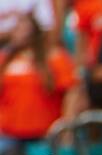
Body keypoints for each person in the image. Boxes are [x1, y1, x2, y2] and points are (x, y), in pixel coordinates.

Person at [0, 12, 80, 143]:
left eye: (24, 26)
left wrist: (66, 128)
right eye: (17, 27)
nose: (21, 32)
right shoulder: (5, 60)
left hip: (45, 133)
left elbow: (72, 92)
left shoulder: (54, 57)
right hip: (9, 132)